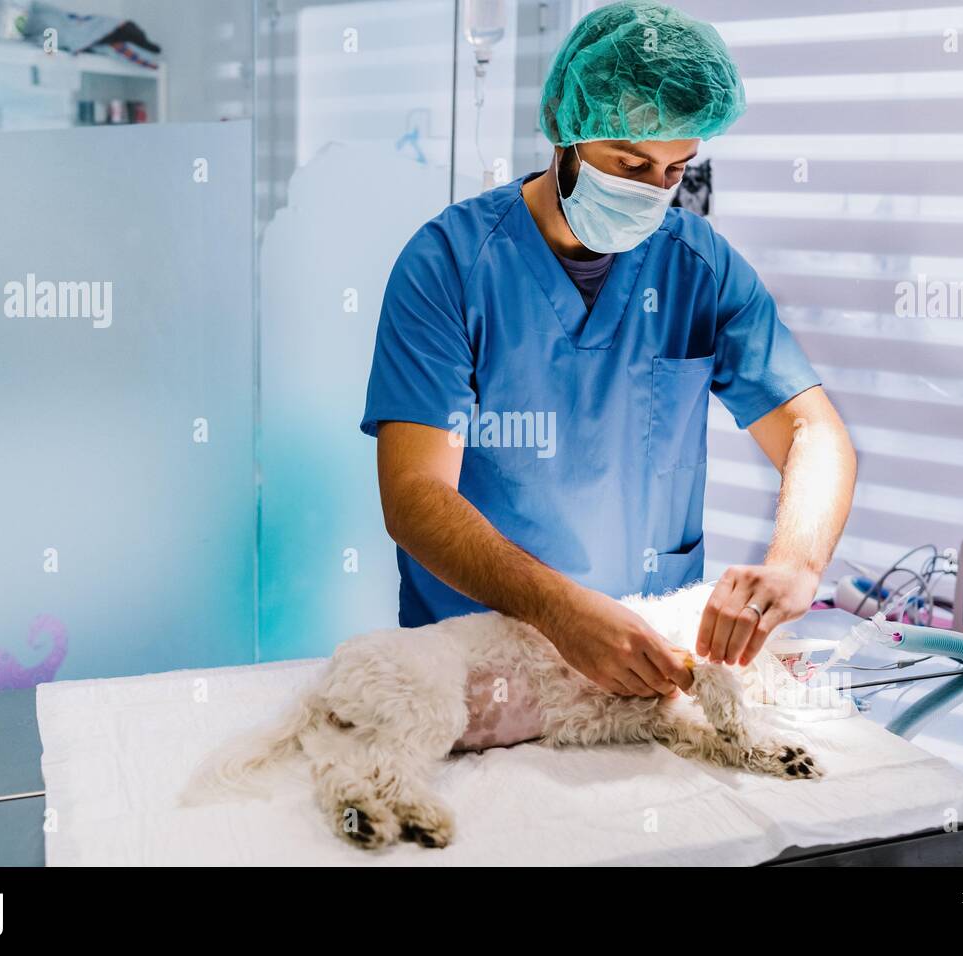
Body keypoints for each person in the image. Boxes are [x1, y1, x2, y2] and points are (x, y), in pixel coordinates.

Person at [361, 1, 857, 699]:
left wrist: (795, 564)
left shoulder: (697, 268)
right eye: (630, 163)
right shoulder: (450, 265)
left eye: (675, 169)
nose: (654, 192)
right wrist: (557, 611)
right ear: (567, 132)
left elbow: (813, 431)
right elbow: (414, 495)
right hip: (478, 663)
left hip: (651, 666)